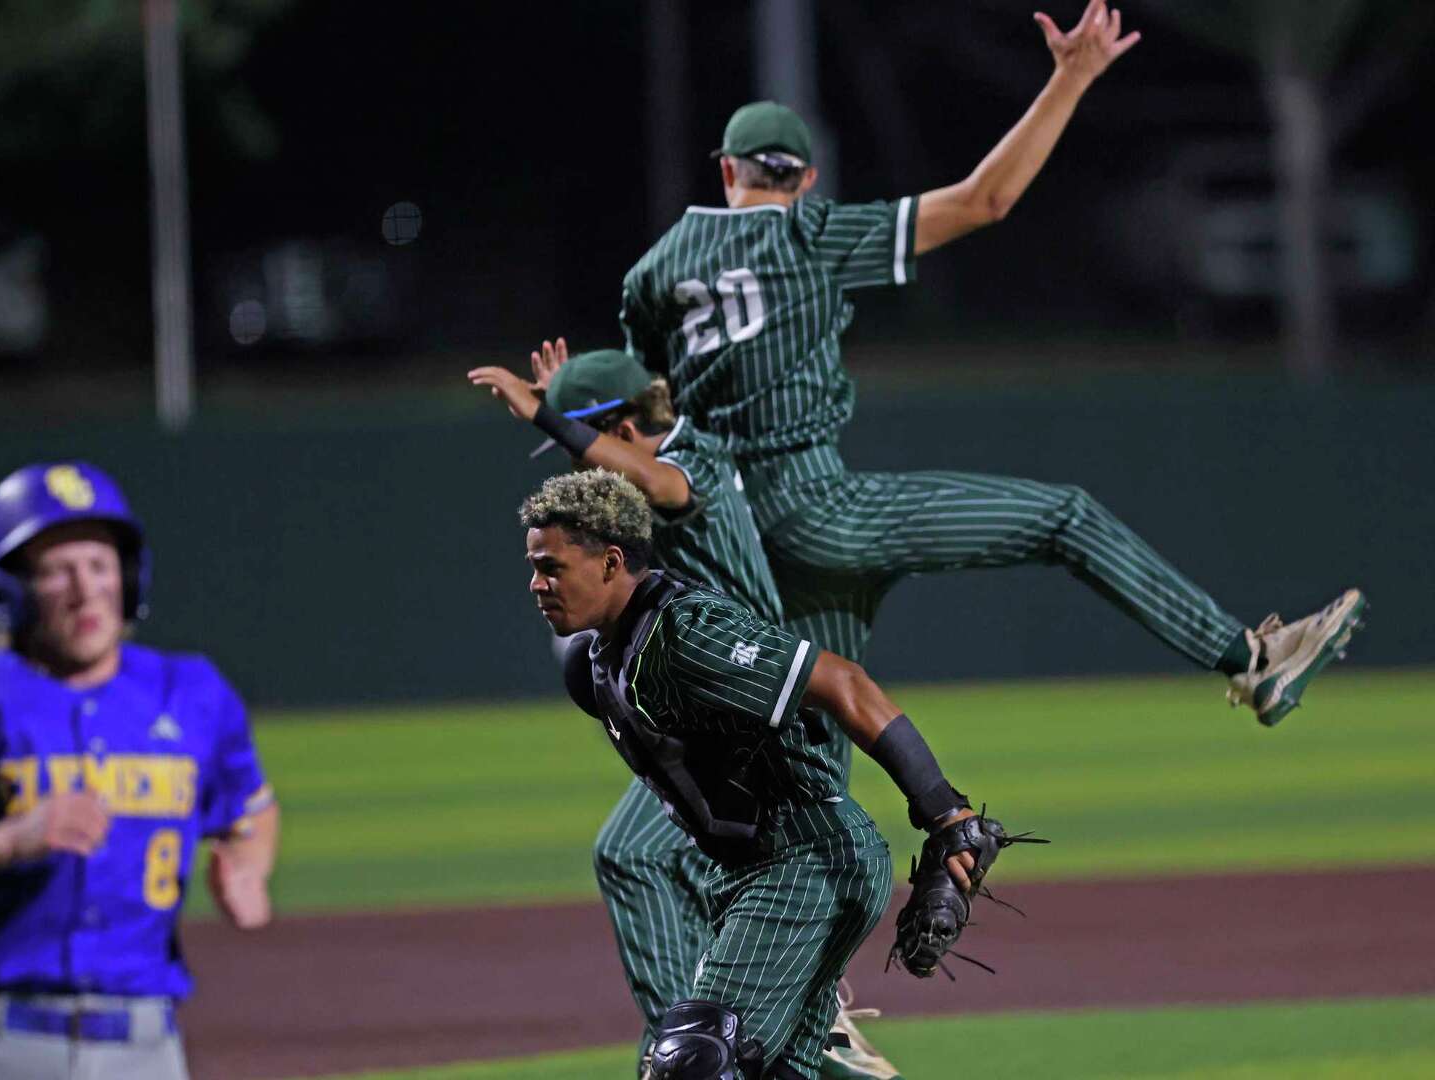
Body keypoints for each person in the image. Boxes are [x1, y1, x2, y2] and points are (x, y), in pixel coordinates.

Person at [617, 0, 1365, 730]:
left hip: (737, 534)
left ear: (726, 175)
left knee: (814, 748)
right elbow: (987, 199)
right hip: (817, 506)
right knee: (1065, 517)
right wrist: (1069, 79)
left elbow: (638, 424)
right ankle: (1249, 658)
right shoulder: (809, 234)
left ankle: (758, 855)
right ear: (806, 180)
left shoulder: (654, 272)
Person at [471, 348, 894, 1078]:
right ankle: (754, 1026)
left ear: (625, 424)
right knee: (681, 862)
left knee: (636, 853)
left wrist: (551, 415)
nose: (588, 467)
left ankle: (700, 1047)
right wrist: (570, 408)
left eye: (593, 442)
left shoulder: (688, 456)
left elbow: (660, 483)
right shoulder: (624, 523)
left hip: (754, 707)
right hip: (707, 709)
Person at [517, 468, 1010, 1079]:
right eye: (534, 566)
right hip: (758, 872)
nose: (537, 584)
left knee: (692, 1063)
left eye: (552, 567)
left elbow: (844, 684)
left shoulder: (686, 630)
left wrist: (947, 813)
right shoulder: (600, 662)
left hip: (806, 860)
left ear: (612, 562)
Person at [0, 462, 279, 1080]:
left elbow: (251, 809)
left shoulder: (191, 691)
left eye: (99, 566)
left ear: (128, 576)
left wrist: (250, 868)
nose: (85, 589)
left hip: (147, 1048)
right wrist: (14, 840)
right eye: (55, 570)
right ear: (14, 590)